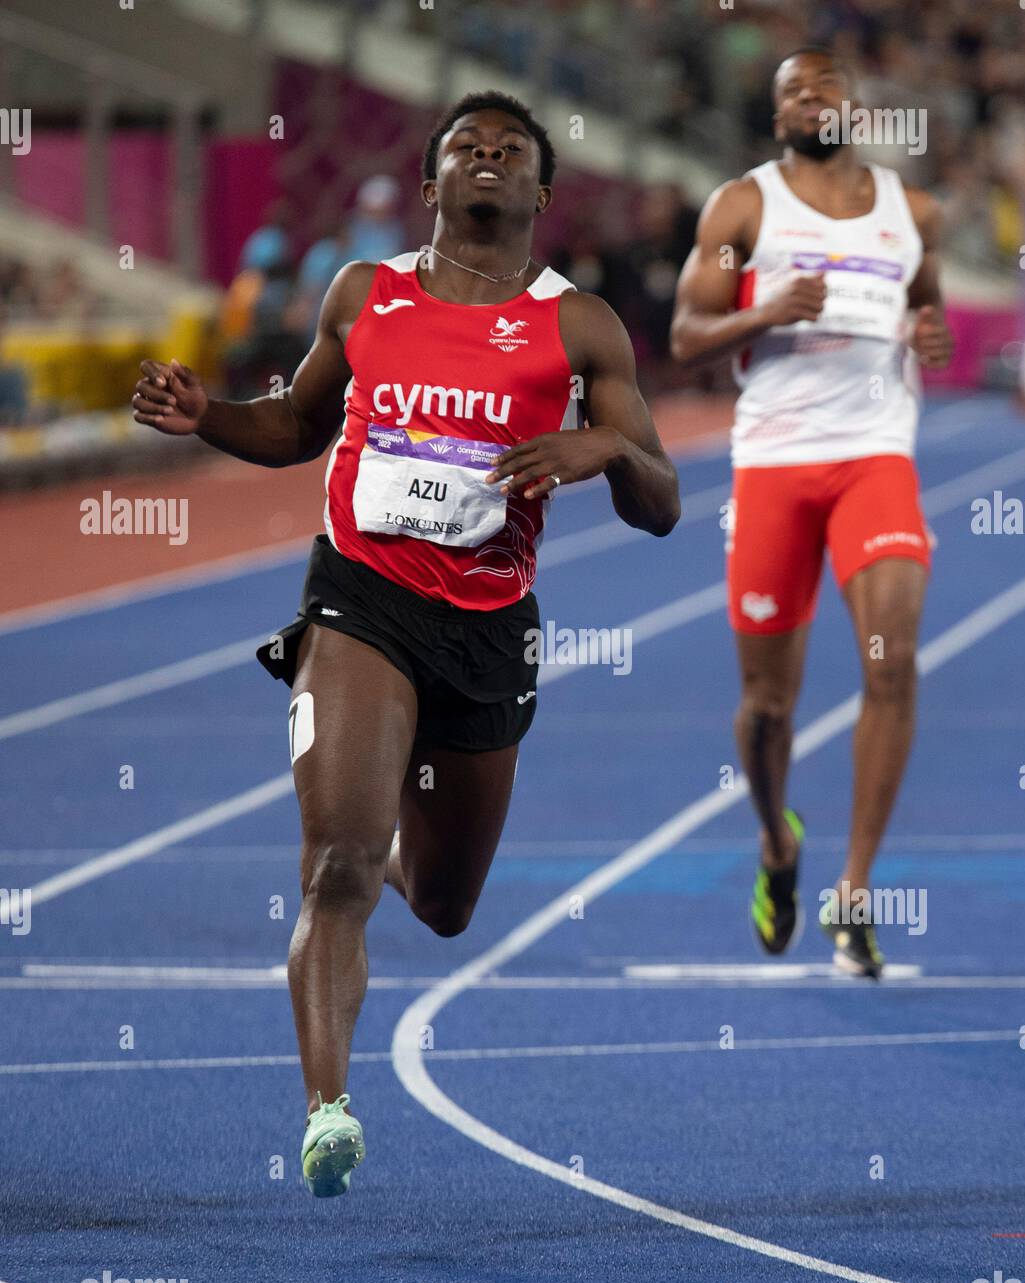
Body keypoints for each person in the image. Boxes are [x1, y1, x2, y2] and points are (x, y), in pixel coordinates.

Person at [132, 90, 680, 1196]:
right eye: (464, 149)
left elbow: (661, 500)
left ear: (540, 193)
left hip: (486, 626)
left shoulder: (580, 327)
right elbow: (294, 424)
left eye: (509, 151)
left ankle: (386, 830)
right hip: (360, 600)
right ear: (431, 188)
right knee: (334, 868)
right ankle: (328, 1108)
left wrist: (599, 451)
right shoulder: (361, 296)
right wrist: (213, 416)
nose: (486, 159)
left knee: (441, 903)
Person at [670, 48, 952, 979]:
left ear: (854, 106)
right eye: (790, 88)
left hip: (876, 458)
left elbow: (926, 308)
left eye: (823, 84)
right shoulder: (741, 208)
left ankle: (855, 895)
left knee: (895, 662)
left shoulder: (912, 213)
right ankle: (777, 843)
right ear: (776, 113)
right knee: (765, 708)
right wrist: (764, 312)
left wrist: (931, 333)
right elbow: (683, 337)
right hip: (776, 464)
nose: (807, 97)